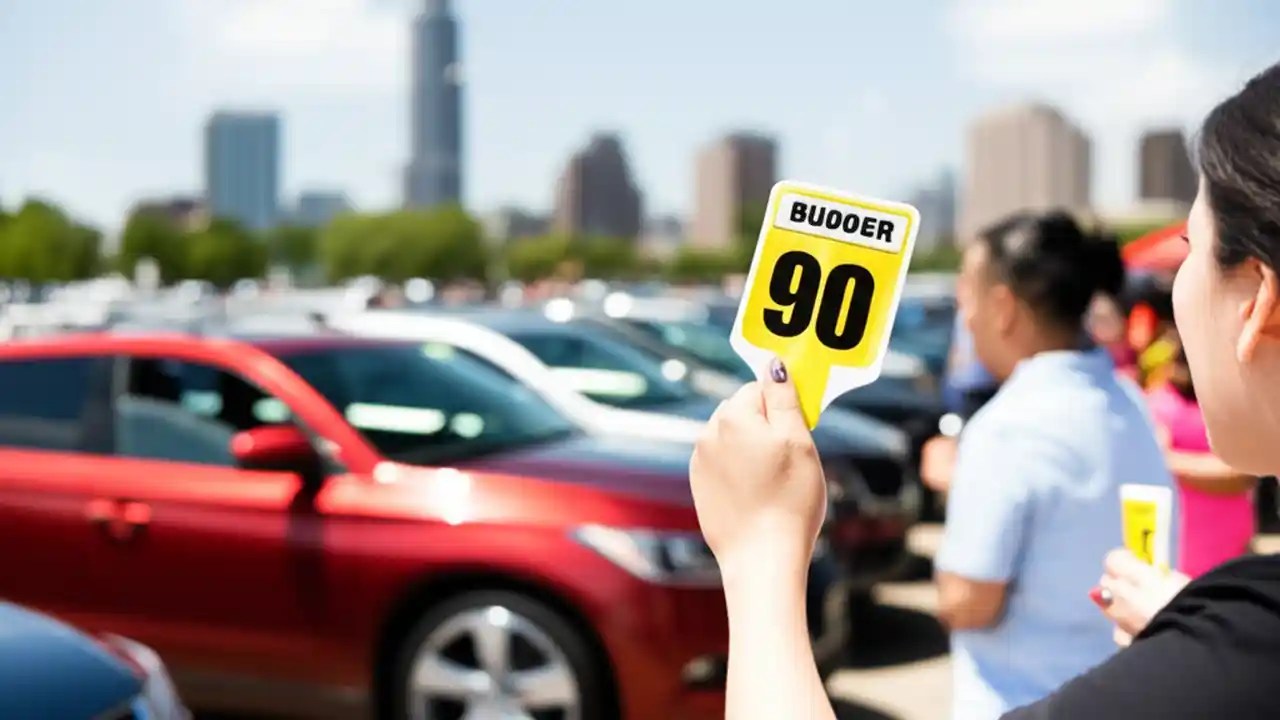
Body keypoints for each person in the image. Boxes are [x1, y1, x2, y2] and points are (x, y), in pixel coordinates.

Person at [689, 59, 1280, 720]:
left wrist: (759, 550)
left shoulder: (1009, 428)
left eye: (1190, 246)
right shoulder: (1126, 403)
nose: (962, 318)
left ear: (1260, 300)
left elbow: (967, 601)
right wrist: (1194, 627)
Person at [1147, 330, 1256, 578]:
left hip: (1230, 551)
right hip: (1180, 555)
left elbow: (1242, 474)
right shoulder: (1160, 404)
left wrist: (1170, 462)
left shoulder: (1231, 404)